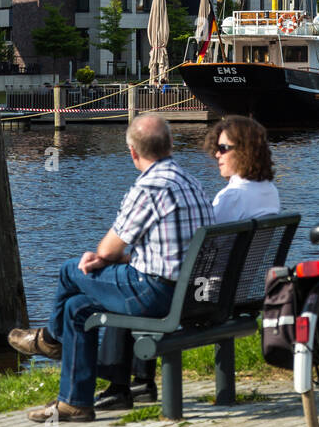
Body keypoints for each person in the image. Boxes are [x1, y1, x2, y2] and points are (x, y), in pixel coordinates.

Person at [9, 115, 213, 423]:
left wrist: (102, 257)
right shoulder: (191, 181)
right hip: (192, 294)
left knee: (69, 271)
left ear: (132, 152)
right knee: (77, 308)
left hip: (158, 294)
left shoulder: (149, 187)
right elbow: (167, 252)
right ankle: (75, 403)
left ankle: (50, 339)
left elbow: (109, 249)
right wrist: (112, 259)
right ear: (171, 145)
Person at [92, 115, 281, 410]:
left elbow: (188, 248)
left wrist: (135, 258)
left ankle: (121, 383)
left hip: (205, 296)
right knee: (139, 278)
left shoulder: (233, 197)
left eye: (223, 148)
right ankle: (139, 381)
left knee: (134, 284)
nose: (216, 155)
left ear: (245, 150)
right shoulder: (268, 191)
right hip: (241, 294)